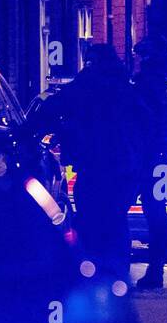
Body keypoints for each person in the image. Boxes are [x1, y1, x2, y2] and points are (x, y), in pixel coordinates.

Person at [26, 44, 144, 282]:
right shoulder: (127, 89)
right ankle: (119, 271)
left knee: (91, 218)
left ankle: (95, 273)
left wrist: (24, 130)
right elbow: (145, 124)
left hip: (95, 165)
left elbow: (50, 109)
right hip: (125, 168)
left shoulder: (86, 86)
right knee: (116, 218)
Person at [132, 33, 167, 290]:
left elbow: (136, 123)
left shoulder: (143, 85)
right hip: (165, 159)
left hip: (140, 158)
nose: (137, 61)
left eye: (140, 56)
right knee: (157, 214)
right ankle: (156, 271)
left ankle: (115, 268)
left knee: (117, 208)